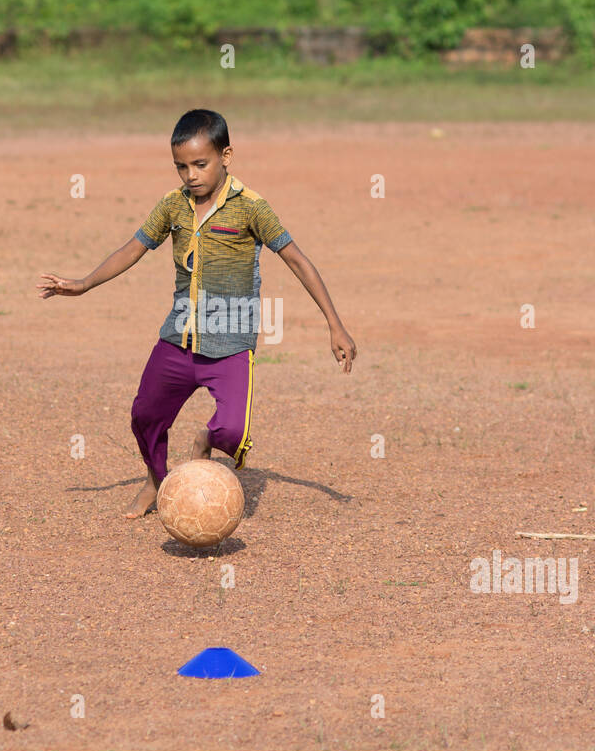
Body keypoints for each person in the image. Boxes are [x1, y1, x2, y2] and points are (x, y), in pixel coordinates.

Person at [38, 109, 357, 519]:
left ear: (226, 156)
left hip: (230, 345)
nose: (191, 175)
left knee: (233, 432)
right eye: (181, 167)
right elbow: (132, 248)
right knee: (144, 415)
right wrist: (82, 284)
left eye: (200, 164)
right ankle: (156, 479)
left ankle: (205, 438)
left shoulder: (252, 208)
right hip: (178, 339)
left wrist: (335, 324)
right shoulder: (173, 205)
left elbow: (296, 260)